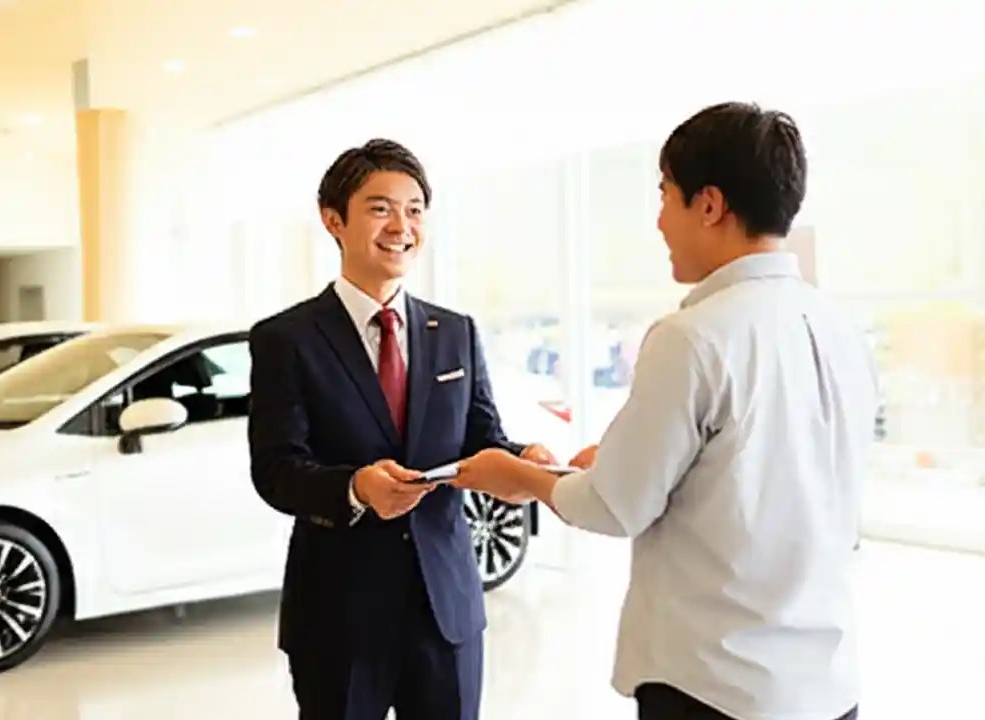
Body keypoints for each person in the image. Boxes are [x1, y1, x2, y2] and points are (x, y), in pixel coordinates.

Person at [455, 102, 877, 720]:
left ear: (708, 204)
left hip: (716, 687)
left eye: (664, 195)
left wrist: (516, 477)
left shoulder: (693, 336)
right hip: (828, 686)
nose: (658, 222)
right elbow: (768, 472)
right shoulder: (840, 327)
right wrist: (625, 466)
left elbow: (613, 506)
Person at [247, 138, 555, 720]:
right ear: (333, 220)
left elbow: (480, 439)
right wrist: (357, 488)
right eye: (381, 208)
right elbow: (277, 470)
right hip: (338, 616)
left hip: (445, 611)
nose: (402, 226)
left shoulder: (454, 331)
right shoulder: (286, 339)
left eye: (415, 210)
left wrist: (521, 461)